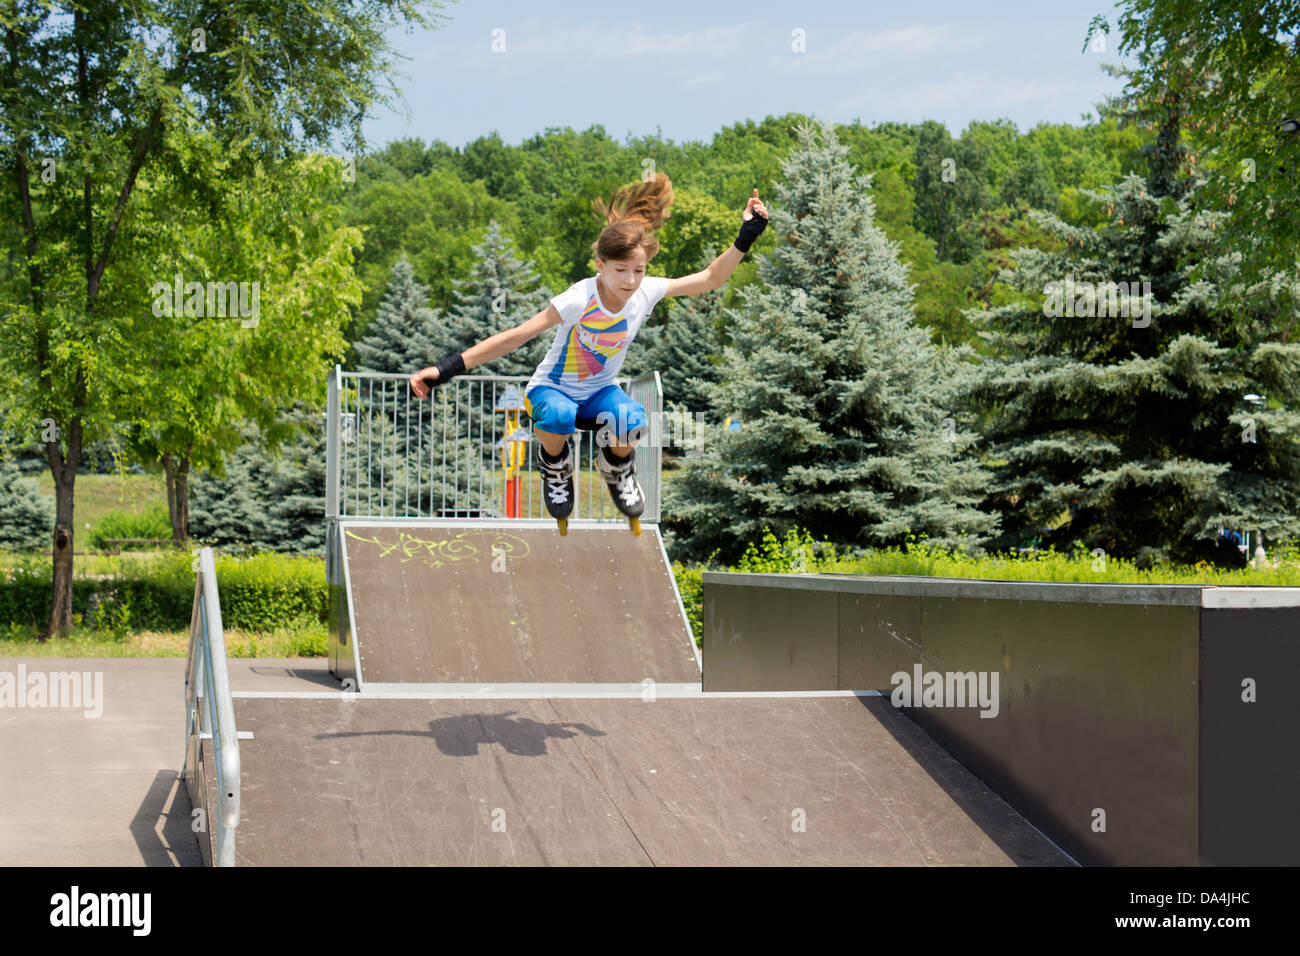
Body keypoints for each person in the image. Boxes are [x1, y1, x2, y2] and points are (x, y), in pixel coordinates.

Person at [409, 172, 768, 524]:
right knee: (559, 416)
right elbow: (516, 336)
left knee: (633, 420)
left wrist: (747, 234)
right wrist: (446, 368)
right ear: (601, 266)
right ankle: (554, 465)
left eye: (638, 270)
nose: (630, 281)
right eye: (620, 270)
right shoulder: (580, 298)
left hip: (599, 394)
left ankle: (617, 467)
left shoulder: (648, 291)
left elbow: (710, 278)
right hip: (551, 391)